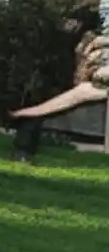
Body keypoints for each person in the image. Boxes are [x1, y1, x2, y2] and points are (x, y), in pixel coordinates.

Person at [9, 30, 108, 161]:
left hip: (94, 84)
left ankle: (23, 140)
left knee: (44, 107)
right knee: (41, 107)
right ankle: (23, 147)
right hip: (91, 82)